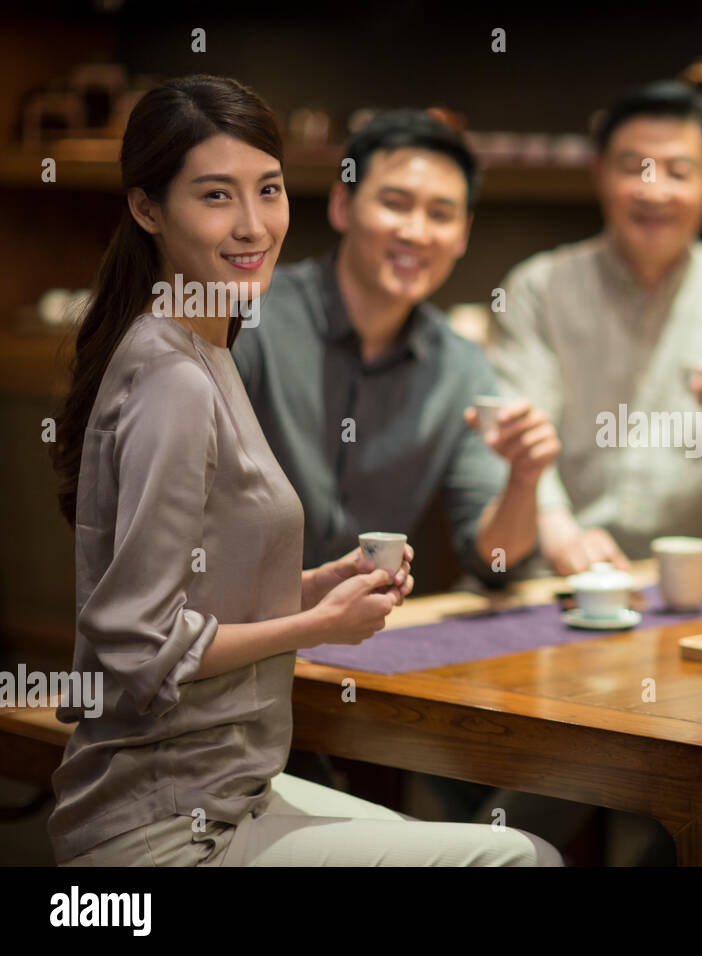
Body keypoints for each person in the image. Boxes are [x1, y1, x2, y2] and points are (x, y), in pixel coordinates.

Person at [45, 74, 562, 866]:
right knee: (515, 856)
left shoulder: (210, 343)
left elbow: (493, 558)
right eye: (215, 196)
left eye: (269, 190)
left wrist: (314, 585)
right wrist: (317, 625)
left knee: (496, 837)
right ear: (148, 210)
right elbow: (135, 647)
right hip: (171, 816)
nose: (251, 224)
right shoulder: (186, 370)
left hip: (234, 783)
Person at [487, 79, 702, 574]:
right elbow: (513, 442)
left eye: (679, 171)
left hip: (700, 588)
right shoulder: (538, 292)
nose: (654, 191)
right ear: (599, 174)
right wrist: (561, 533)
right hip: (557, 582)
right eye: (634, 169)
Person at [232, 109, 559, 585]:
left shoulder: (460, 365)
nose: (416, 232)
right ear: (342, 205)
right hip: (235, 625)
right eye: (395, 203)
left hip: (368, 635)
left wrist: (525, 479)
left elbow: (492, 557)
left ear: (463, 233)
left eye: (441, 214)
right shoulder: (249, 318)